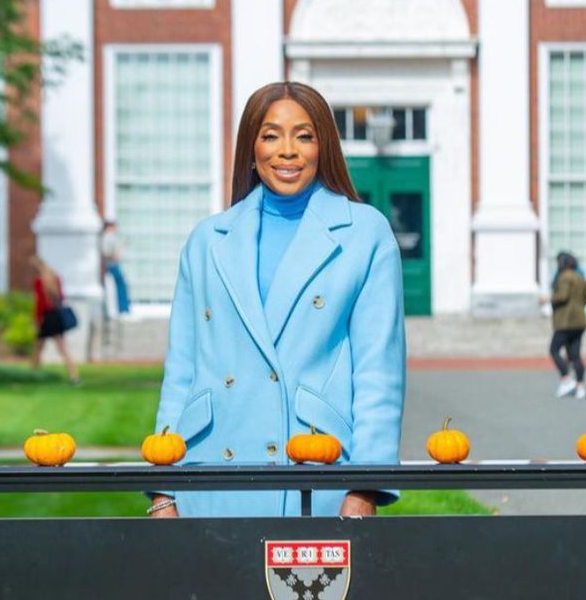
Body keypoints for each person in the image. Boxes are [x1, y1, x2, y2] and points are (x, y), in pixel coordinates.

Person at [147, 81, 406, 519]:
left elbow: (378, 373)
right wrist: (162, 492)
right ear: (251, 147)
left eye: (303, 136)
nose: (287, 150)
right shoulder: (207, 240)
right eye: (271, 135)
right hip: (209, 478)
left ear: (323, 147)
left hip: (316, 478)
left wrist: (365, 490)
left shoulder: (365, 234)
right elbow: (181, 374)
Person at [546, 251, 586, 399]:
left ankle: (566, 378)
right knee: (575, 355)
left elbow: (562, 296)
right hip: (580, 321)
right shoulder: (580, 278)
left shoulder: (564, 277)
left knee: (554, 350)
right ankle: (580, 386)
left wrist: (548, 299)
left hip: (566, 322)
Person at [30, 255, 80, 385]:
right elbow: (62, 297)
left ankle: (32, 375)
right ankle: (73, 375)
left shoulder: (39, 281)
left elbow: (40, 303)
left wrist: (37, 319)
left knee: (38, 348)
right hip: (56, 316)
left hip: (47, 317)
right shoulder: (55, 278)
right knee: (63, 348)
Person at [100, 220, 131, 316]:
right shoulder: (108, 237)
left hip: (112, 264)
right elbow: (107, 253)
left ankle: (123, 309)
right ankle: (123, 309)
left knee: (121, 285)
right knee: (121, 285)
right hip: (112, 265)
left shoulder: (107, 237)